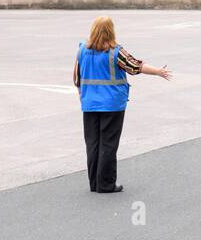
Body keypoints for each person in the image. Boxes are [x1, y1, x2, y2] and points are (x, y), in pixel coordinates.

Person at [73, 15, 172, 193]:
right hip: (112, 105)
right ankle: (106, 184)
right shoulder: (115, 52)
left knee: (93, 143)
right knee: (108, 144)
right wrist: (158, 71)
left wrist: (82, 95)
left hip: (89, 104)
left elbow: (77, 77)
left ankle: (94, 183)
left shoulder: (81, 50)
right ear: (111, 31)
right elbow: (135, 66)